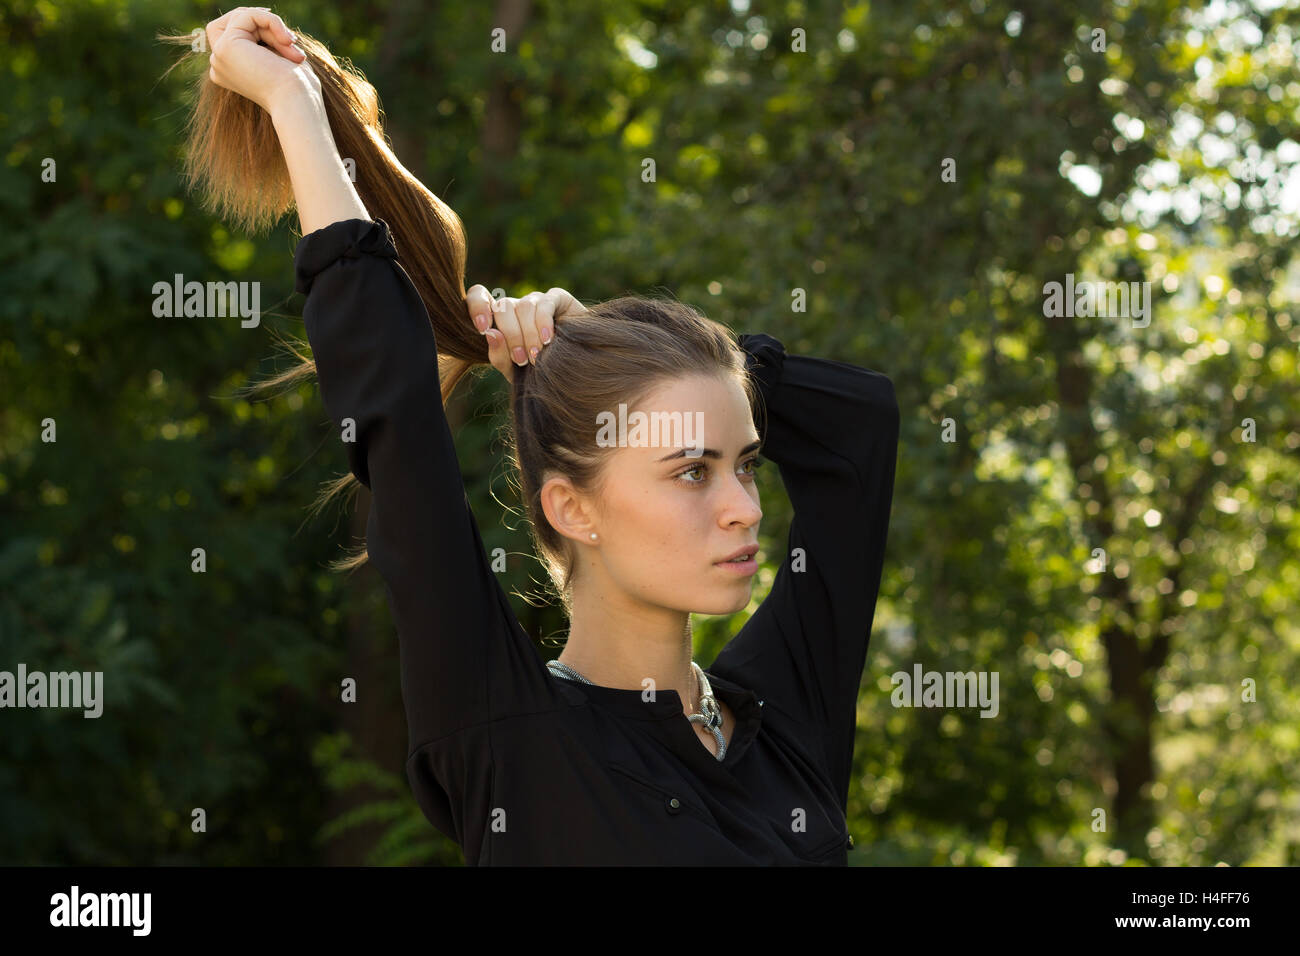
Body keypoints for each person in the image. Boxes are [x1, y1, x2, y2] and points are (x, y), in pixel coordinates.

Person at [162, 8, 900, 865]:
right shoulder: (508, 735)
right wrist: (291, 101)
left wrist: (610, 351)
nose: (743, 509)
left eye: (745, 465)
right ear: (571, 508)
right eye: (693, 471)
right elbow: (394, 412)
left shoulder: (785, 716)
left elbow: (860, 426)